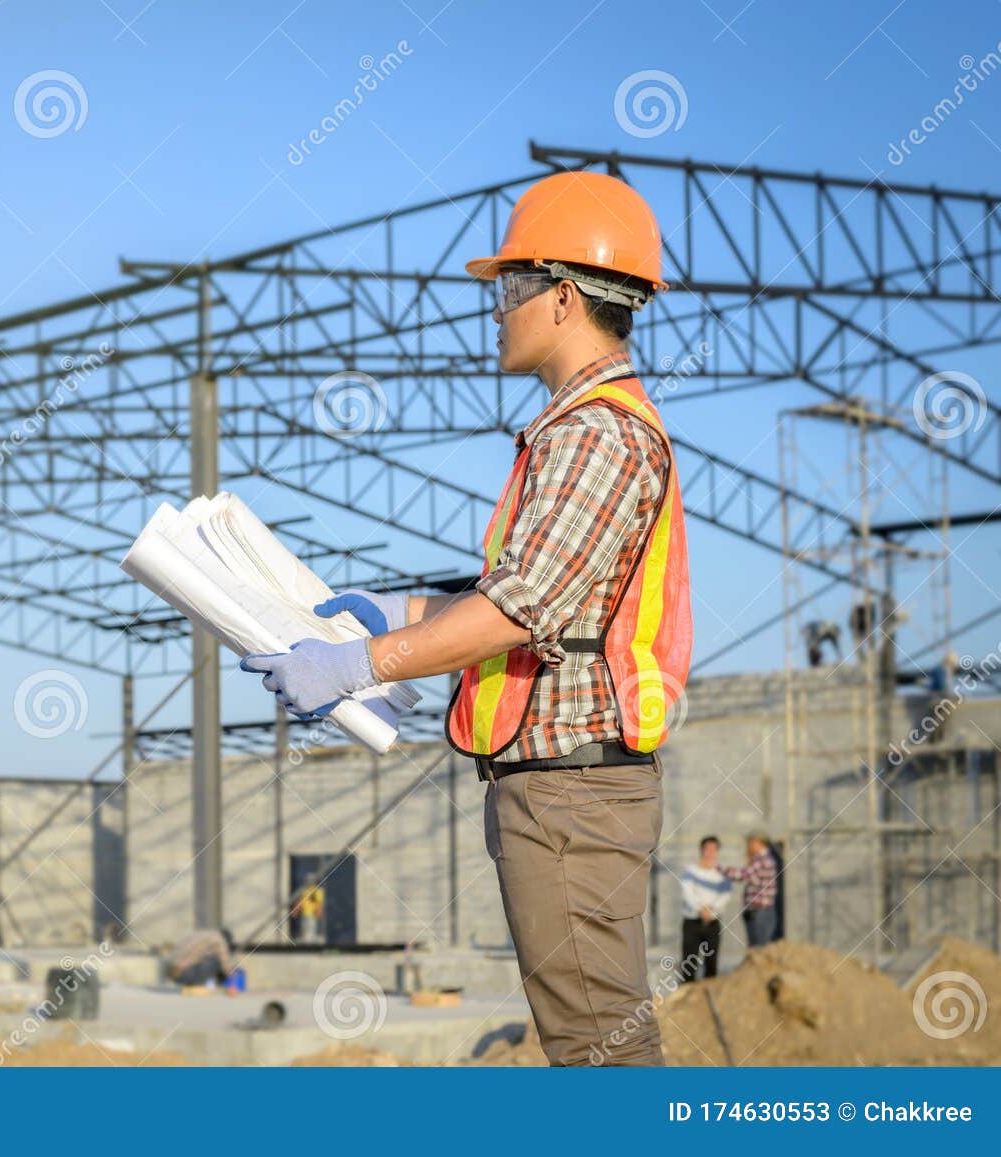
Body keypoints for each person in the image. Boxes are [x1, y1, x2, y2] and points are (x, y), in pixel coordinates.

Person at [239, 171, 692, 1067]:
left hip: (571, 790)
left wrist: (365, 662)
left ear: (564, 297)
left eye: (511, 286)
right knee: (590, 1040)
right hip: (561, 789)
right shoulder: (582, 428)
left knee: (599, 1048)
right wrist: (398, 612)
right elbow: (543, 596)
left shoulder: (596, 433)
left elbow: (520, 608)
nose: (497, 308)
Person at [679, 836, 733, 982]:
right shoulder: (691, 871)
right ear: (702, 850)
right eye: (707, 849)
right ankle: (687, 995)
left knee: (711, 962)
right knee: (689, 963)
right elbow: (688, 892)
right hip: (692, 921)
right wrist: (700, 909)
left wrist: (712, 909)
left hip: (713, 923)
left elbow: (726, 894)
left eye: (713, 849)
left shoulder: (722, 873)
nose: (710, 852)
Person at [723, 832, 780, 949]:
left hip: (760, 912)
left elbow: (744, 875)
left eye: (749, 843)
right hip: (756, 911)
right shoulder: (760, 859)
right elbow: (753, 879)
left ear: (757, 842)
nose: (748, 846)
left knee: (759, 950)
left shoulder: (762, 859)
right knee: (755, 948)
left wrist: (720, 869)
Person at [165, 928, 233, 987]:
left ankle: (192, 984)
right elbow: (225, 965)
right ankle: (198, 984)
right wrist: (232, 977)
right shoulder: (219, 939)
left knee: (206, 958)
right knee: (216, 961)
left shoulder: (203, 934)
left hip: (169, 971)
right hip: (181, 973)